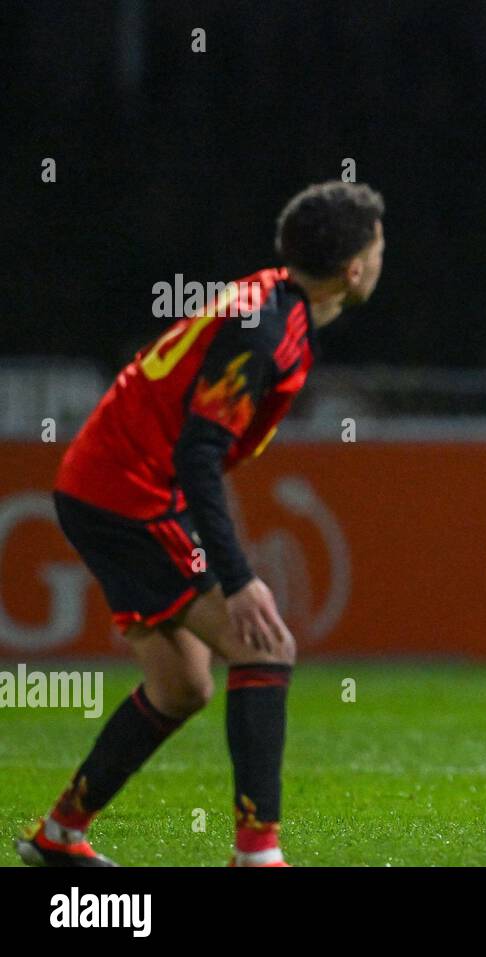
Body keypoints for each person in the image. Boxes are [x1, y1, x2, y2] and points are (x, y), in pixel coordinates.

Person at [16, 181, 386, 866]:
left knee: (182, 686)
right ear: (354, 268)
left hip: (106, 483)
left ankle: (59, 835)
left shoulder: (272, 299)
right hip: (129, 494)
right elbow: (198, 452)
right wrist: (238, 580)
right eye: (379, 246)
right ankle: (257, 854)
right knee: (265, 646)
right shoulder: (268, 329)